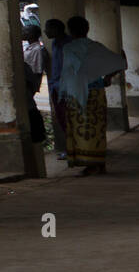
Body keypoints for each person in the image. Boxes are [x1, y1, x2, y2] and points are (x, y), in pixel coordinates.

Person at [60, 16, 127, 176]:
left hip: (76, 94)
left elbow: (68, 73)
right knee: (97, 128)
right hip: (96, 92)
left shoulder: (69, 48)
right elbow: (120, 61)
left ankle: (89, 164)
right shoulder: (95, 46)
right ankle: (99, 163)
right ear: (87, 29)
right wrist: (108, 77)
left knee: (80, 129)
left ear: (70, 30)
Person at [43, 19, 69, 159]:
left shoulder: (68, 44)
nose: (45, 31)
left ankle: (73, 149)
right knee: (62, 119)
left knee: (68, 119)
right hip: (56, 86)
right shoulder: (55, 43)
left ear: (56, 29)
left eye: (47, 28)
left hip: (66, 87)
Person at [22, 25, 49, 145]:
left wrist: (33, 89)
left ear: (32, 34)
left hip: (29, 85)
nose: (22, 32)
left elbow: (37, 72)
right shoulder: (29, 48)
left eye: (26, 31)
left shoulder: (37, 49)